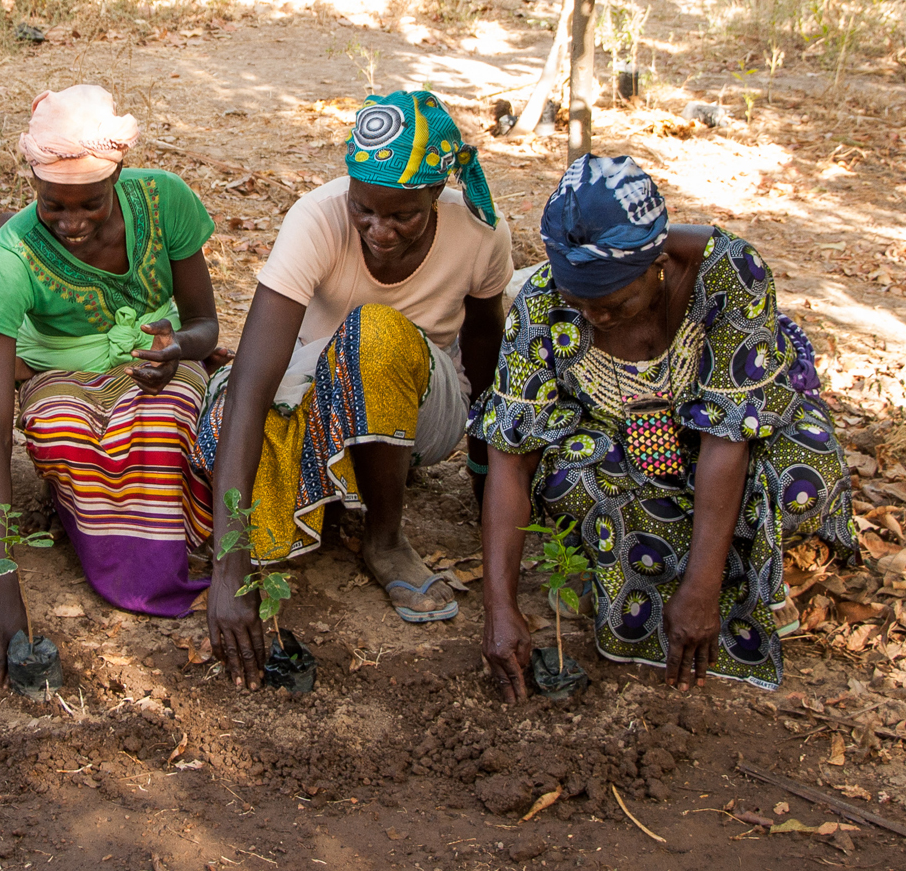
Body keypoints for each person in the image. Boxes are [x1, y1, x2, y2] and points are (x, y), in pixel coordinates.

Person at [474, 154, 859, 698]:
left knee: (803, 479)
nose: (594, 318)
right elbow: (510, 458)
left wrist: (700, 592)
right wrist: (500, 607)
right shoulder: (539, 305)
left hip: (732, 437)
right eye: (577, 303)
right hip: (619, 447)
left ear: (656, 262)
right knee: (568, 479)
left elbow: (728, 439)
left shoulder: (728, 273)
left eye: (614, 302)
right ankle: (612, 567)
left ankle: (750, 576)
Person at [203, 90, 512, 687]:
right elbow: (253, 382)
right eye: (364, 209)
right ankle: (315, 509)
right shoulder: (316, 219)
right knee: (222, 417)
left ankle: (385, 536)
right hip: (323, 389)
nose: (379, 230)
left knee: (376, 331)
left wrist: (487, 481)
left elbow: (487, 370)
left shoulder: (480, 233)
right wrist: (228, 563)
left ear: (436, 194)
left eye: (403, 215)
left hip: (426, 410)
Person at [0, 85, 222, 691]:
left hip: (156, 355)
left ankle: (128, 532)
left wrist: (176, 348)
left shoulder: (165, 202)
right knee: (59, 424)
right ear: (33, 184)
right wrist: (1, 584)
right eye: (54, 205)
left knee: (165, 420)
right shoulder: (14, 255)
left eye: (90, 205)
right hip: (60, 367)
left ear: (120, 178)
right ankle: (85, 508)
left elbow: (204, 324)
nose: (72, 223)